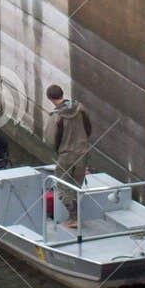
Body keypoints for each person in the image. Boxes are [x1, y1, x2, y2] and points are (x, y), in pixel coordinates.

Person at [45, 83, 92, 229]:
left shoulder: (56, 117)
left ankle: (74, 218)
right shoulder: (80, 108)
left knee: (63, 187)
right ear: (62, 94)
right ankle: (76, 216)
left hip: (66, 156)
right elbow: (88, 127)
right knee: (77, 185)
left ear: (50, 98)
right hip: (83, 152)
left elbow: (51, 140)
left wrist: (59, 150)